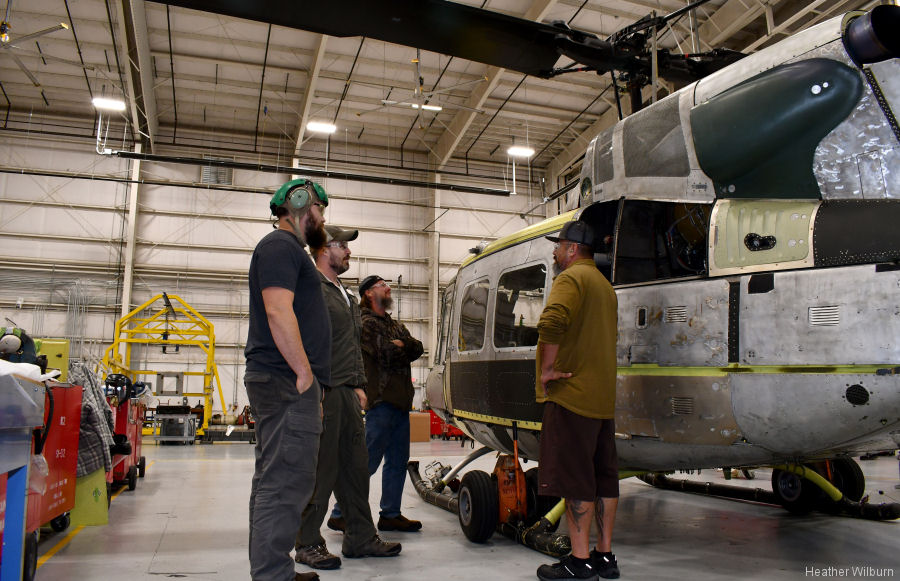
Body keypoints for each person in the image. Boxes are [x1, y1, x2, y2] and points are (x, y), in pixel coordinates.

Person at [294, 226, 402, 572]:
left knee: (356, 469)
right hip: (324, 390)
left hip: (347, 393)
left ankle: (360, 536)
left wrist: (358, 384)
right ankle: (308, 542)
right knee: (321, 471)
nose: (348, 252)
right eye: (342, 246)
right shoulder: (310, 287)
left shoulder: (344, 294)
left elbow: (351, 345)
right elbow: (303, 340)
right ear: (324, 250)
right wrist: (314, 388)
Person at [244, 177, 331, 581]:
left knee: (275, 479)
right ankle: (272, 575)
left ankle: (273, 568)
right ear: (301, 203)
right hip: (285, 381)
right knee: (285, 482)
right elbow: (279, 312)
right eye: (321, 209)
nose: (323, 219)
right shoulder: (280, 246)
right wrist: (304, 375)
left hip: (280, 381)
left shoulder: (287, 250)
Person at [535, 220, 620, 581]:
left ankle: (579, 561)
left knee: (575, 481)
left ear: (572, 249)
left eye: (558, 246)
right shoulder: (605, 286)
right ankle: (604, 556)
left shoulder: (570, 279)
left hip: (573, 398)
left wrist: (548, 368)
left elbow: (552, 322)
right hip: (602, 399)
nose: (554, 252)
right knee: (604, 480)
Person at [330, 274, 424, 532]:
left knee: (397, 461)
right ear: (369, 293)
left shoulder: (394, 325)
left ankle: (390, 514)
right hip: (380, 402)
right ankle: (340, 512)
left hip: (400, 402)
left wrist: (403, 344)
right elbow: (386, 354)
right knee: (367, 461)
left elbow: (418, 348)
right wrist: (404, 347)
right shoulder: (365, 323)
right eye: (383, 285)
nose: (388, 288)